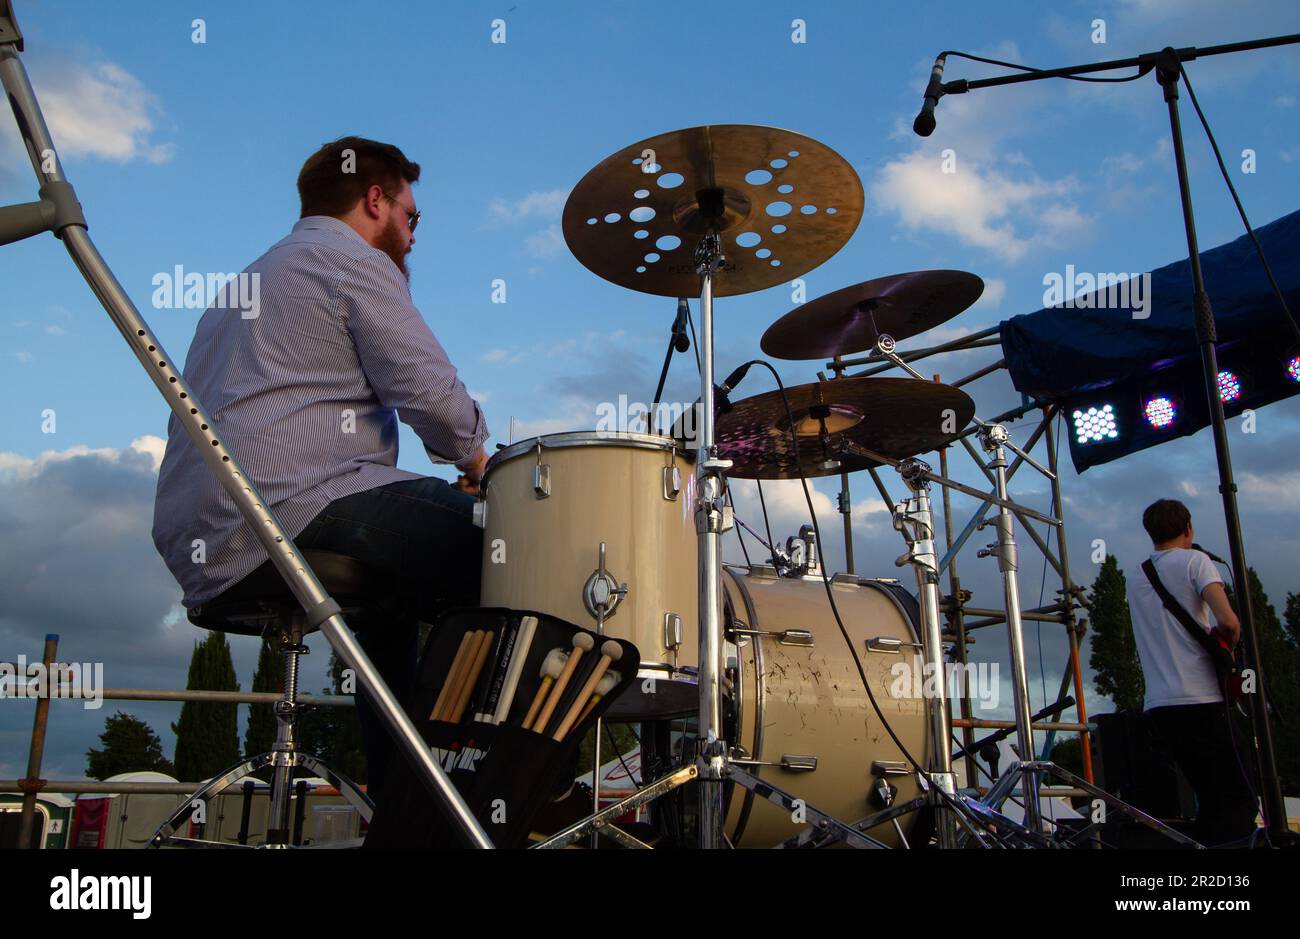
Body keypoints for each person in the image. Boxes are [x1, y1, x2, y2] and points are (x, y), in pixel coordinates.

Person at [152, 136, 490, 805]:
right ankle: (511, 779)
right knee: (522, 544)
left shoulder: (243, 283)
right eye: (410, 217)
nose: (412, 237)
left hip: (206, 532)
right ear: (374, 200)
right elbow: (432, 397)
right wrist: (489, 469)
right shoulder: (348, 259)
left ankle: (408, 806)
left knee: (392, 609)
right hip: (294, 502)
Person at [1125, 498, 1258, 847]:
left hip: (1160, 705)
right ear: (1188, 529)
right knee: (1240, 798)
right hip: (1202, 699)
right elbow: (1228, 622)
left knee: (1211, 800)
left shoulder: (1136, 575)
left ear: (1151, 534)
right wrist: (1230, 640)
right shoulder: (1196, 562)